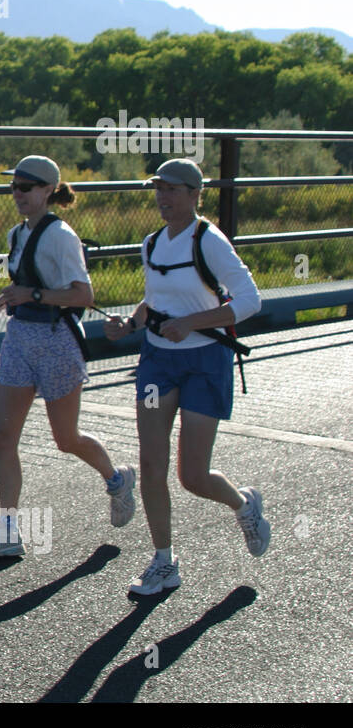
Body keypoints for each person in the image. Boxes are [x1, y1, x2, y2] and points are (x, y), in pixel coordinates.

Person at [103, 158, 269, 595]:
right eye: (158, 188)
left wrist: (193, 323)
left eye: (173, 189)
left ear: (196, 195)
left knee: (192, 476)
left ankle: (243, 504)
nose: (163, 196)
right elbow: (154, 300)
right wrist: (131, 324)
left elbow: (250, 300)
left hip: (205, 362)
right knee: (152, 466)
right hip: (158, 364)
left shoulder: (209, 240)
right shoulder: (152, 242)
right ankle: (164, 562)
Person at [0, 155, 135, 556]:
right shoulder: (17, 234)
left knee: (65, 439)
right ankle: (9, 530)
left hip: (56, 340)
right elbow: (21, 284)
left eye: (26, 187)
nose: (18, 194)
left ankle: (116, 479)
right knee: (3, 434)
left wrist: (35, 296)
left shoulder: (62, 236)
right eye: (14, 187)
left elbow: (84, 295)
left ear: (48, 190)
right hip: (20, 339)